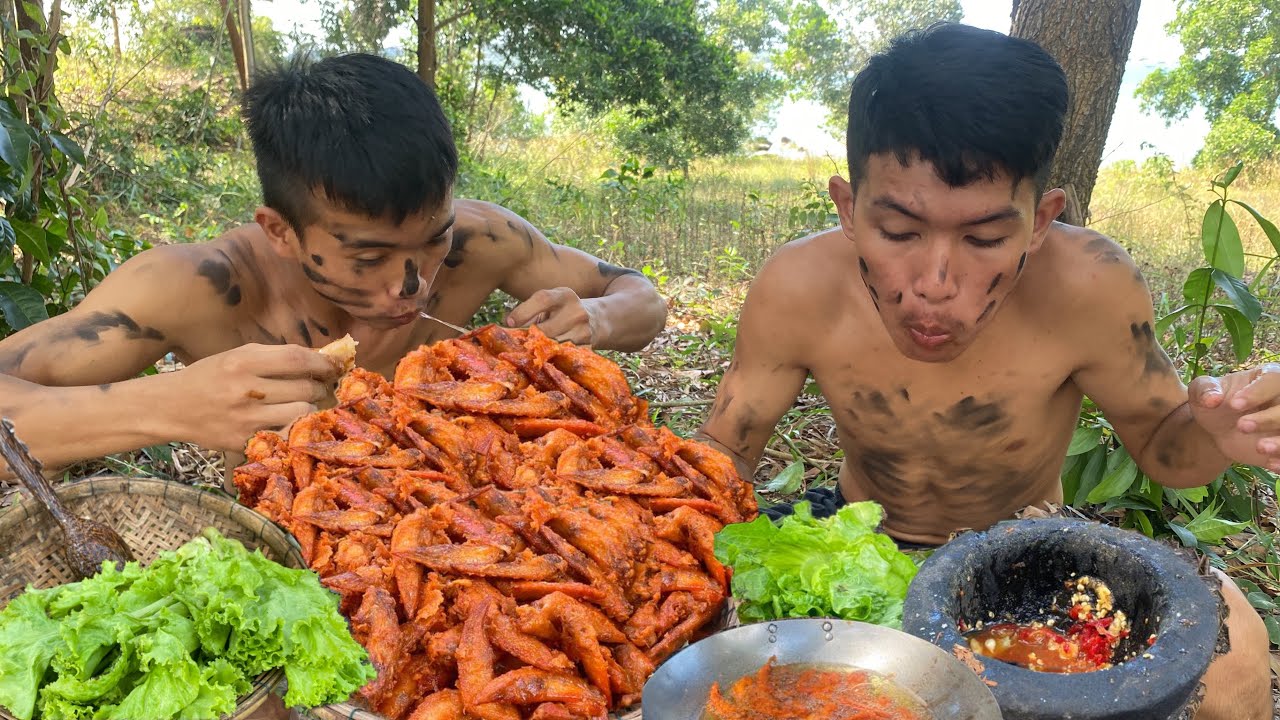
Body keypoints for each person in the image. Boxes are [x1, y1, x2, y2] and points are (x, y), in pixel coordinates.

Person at [696, 23, 1273, 720]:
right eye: (901, 232)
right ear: (849, 209)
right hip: (856, 540)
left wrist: (1219, 432)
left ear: (1040, 221)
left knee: (1236, 647)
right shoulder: (798, 286)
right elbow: (719, 460)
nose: (936, 282)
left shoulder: (1090, 285)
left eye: (985, 238)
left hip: (1030, 549)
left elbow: (1167, 450)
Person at [0, 52, 667, 485]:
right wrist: (167, 404)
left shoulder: (479, 238)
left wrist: (599, 316)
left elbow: (641, 299)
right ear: (281, 232)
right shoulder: (199, 288)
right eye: (367, 257)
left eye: (430, 242)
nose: (413, 285)